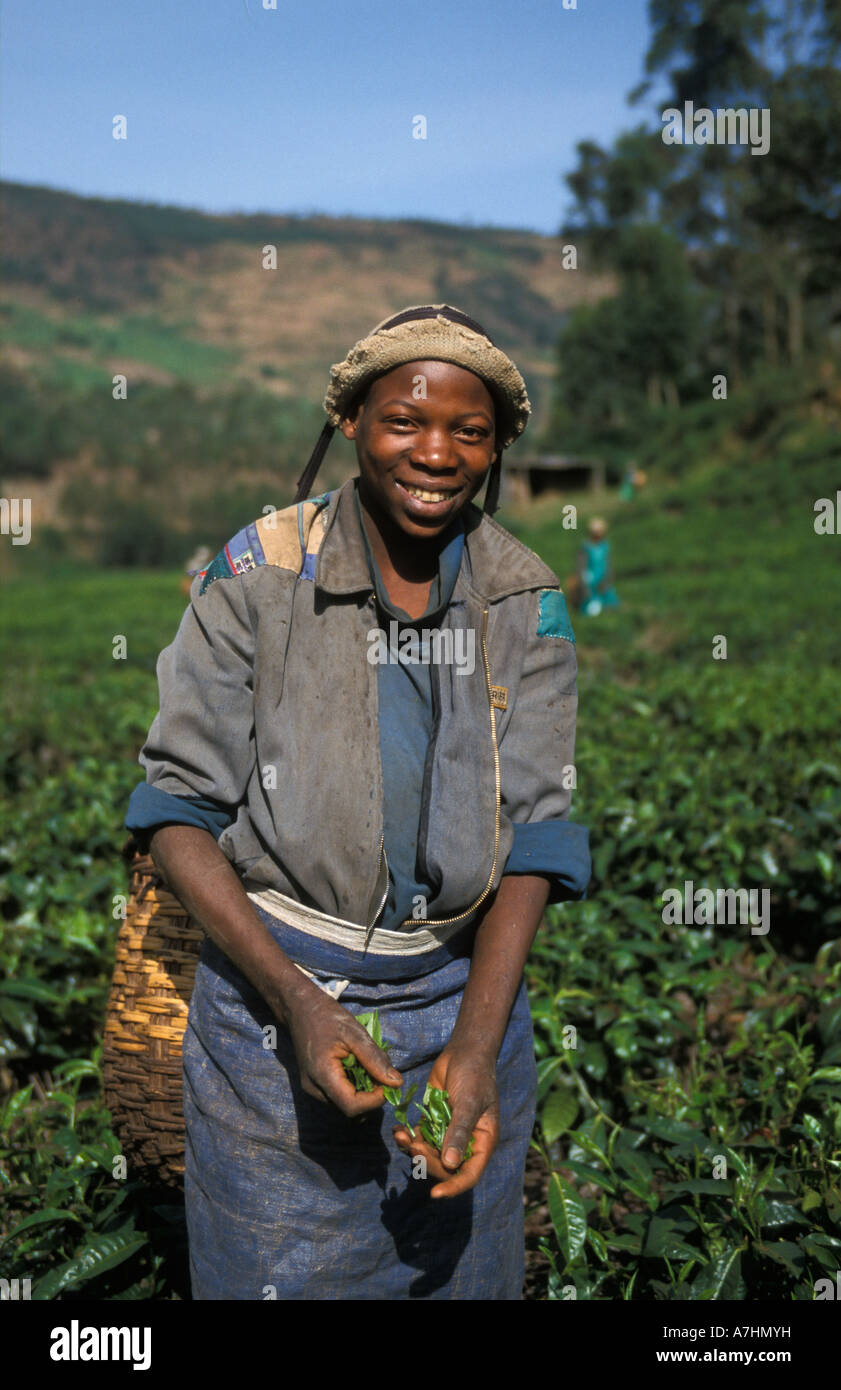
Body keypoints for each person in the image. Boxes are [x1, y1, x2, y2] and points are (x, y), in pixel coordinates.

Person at [124, 304, 590, 1300]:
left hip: (463, 1007)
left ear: (498, 443)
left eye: (469, 431)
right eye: (405, 421)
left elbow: (540, 840)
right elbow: (175, 807)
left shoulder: (523, 599)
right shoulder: (257, 574)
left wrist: (472, 1045)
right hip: (270, 1010)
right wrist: (297, 1003)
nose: (435, 452)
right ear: (350, 421)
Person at [577, 517, 619, 616]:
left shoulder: (605, 546)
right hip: (591, 577)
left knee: (608, 595)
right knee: (591, 599)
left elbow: (607, 563)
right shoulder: (586, 547)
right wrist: (583, 578)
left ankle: (609, 609)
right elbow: (581, 566)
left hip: (603, 575)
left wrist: (609, 575)